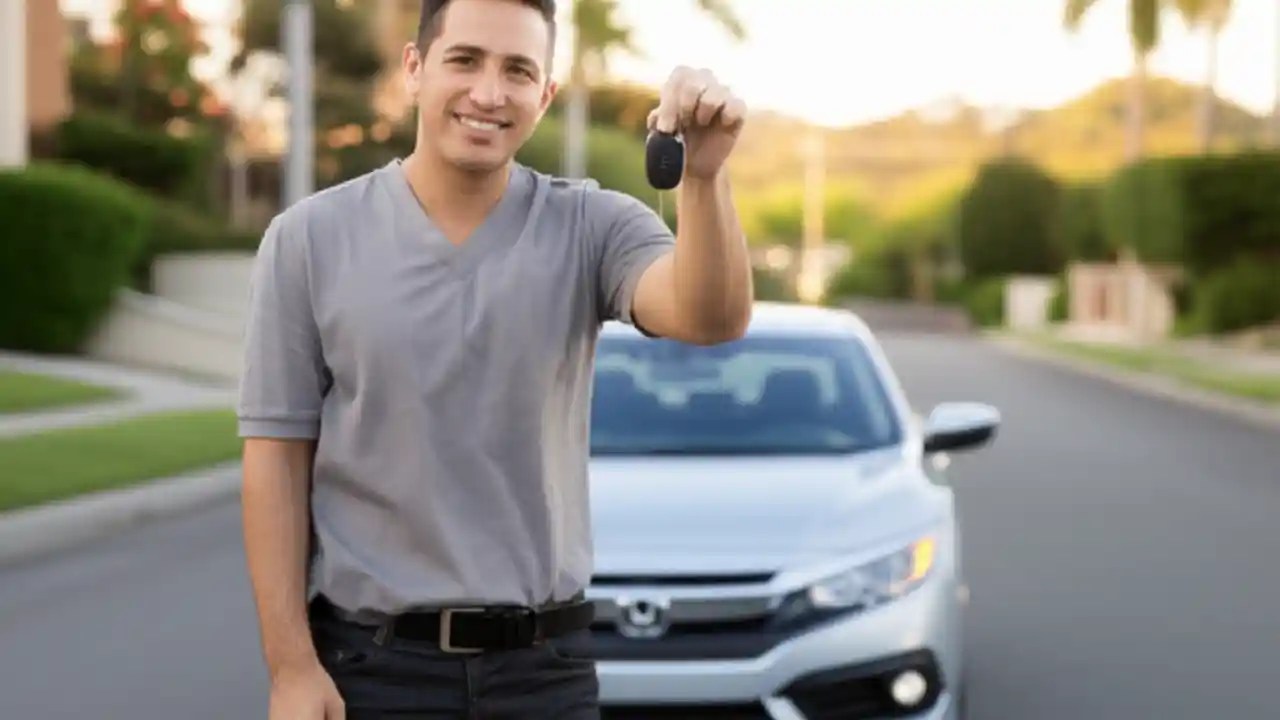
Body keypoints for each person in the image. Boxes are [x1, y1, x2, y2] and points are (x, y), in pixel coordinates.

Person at [236, 0, 752, 716]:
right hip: (371, 671)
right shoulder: (309, 240)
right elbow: (275, 458)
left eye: (517, 71)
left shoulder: (592, 228)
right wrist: (290, 666)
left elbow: (711, 317)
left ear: (543, 95)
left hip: (544, 676)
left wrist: (703, 180)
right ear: (415, 69)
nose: (488, 92)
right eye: (465, 60)